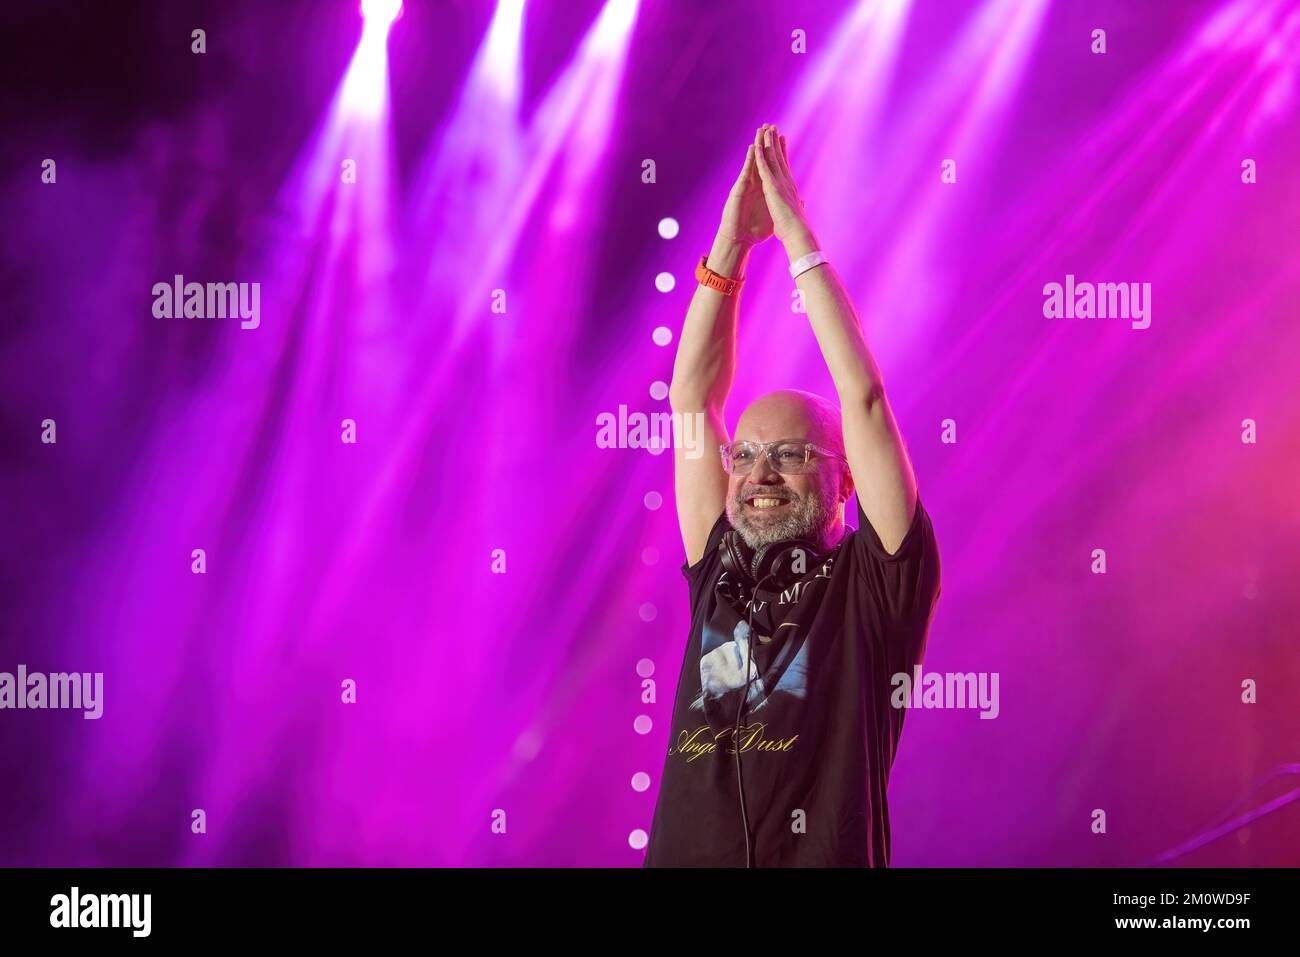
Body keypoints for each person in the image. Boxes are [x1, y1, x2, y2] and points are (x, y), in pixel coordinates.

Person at [644, 123, 941, 867]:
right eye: (745, 455)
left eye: (791, 455)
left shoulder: (875, 586)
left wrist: (797, 239)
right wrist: (730, 247)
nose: (758, 472)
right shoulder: (719, 567)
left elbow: (864, 398)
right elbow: (691, 399)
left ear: (844, 477)